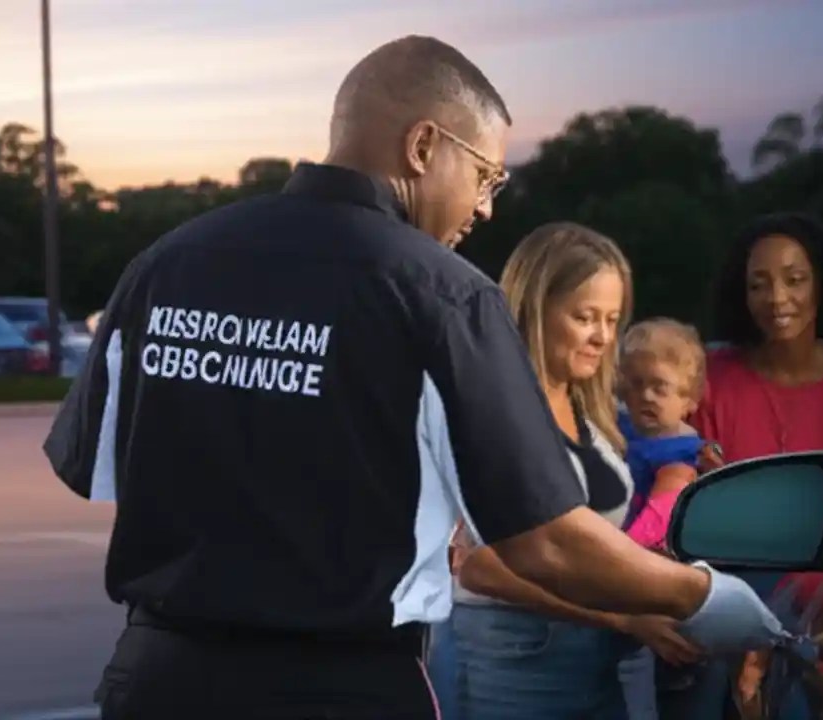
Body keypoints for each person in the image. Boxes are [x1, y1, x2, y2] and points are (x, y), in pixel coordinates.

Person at [43, 36, 784, 720]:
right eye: (486, 176)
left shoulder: (166, 263)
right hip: (339, 689)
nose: (486, 207)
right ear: (424, 145)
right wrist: (703, 595)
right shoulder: (442, 294)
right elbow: (546, 543)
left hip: (157, 680)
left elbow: (88, 468)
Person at [447, 224, 696, 720]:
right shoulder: (494, 409)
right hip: (516, 661)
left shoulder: (594, 411)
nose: (603, 337)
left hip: (598, 657)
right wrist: (620, 613)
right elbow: (476, 565)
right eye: (585, 317)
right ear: (536, 310)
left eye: (612, 319)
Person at [682, 212, 823, 718]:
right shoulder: (709, 380)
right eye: (758, 284)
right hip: (726, 601)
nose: (777, 298)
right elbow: (689, 505)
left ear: (822, 283)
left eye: (795, 279)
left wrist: (765, 525)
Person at [617, 318, 707, 551]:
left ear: (689, 400)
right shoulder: (617, 425)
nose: (646, 396)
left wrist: (613, 555)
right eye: (637, 384)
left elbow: (651, 531)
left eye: (659, 388)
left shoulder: (682, 458)